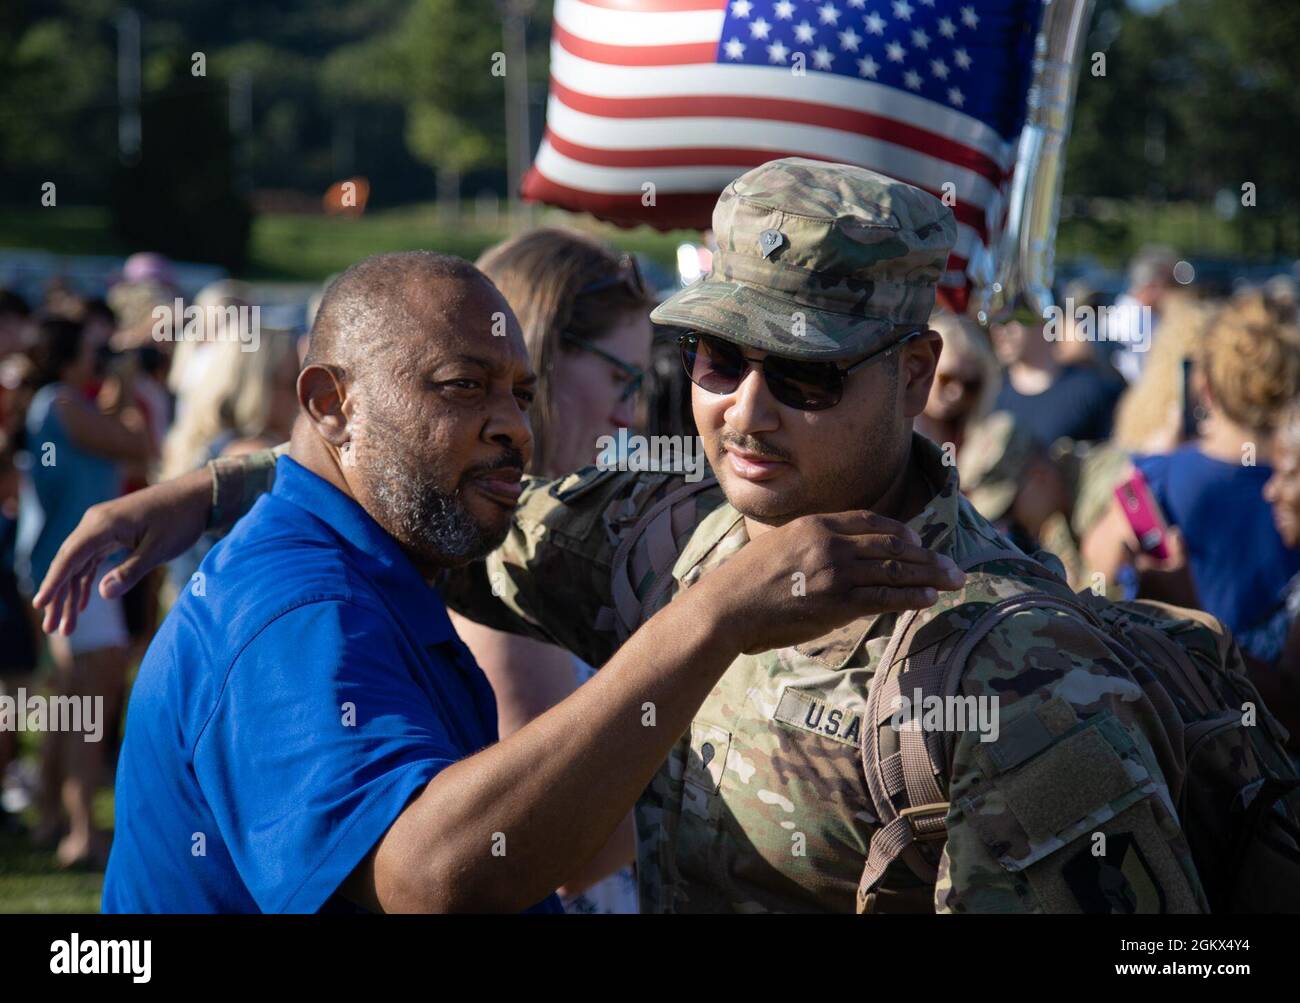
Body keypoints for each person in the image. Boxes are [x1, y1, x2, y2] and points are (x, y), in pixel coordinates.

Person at [38, 160, 1211, 913]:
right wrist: (211, 489)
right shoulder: (660, 536)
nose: (742, 411)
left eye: (802, 374)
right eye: (715, 360)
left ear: (915, 376)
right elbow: (401, 493)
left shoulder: (1022, 679)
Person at [58, 249, 960, 913]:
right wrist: (713, 617)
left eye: (521, 396)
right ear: (332, 402)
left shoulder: (403, 542)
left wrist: (213, 485)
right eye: (463, 386)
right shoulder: (300, 607)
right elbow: (429, 880)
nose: (511, 429)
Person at [467, 229, 654, 913]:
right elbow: (564, 851)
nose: (628, 412)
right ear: (541, 358)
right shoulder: (500, 565)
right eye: (618, 376)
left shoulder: (542, 534)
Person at [15, 317, 151, 867]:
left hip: (76, 567)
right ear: (73, 355)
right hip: (81, 572)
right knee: (88, 701)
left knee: (71, 698)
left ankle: (53, 817)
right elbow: (136, 442)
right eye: (97, 350)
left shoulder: (62, 404)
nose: (105, 358)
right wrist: (127, 388)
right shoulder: (63, 404)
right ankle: (80, 832)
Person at [1084, 291, 1300, 637]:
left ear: (1206, 389)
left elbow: (1098, 567)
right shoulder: (1291, 486)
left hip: (1179, 682)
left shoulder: (1154, 478)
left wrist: (1145, 464)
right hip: (1274, 686)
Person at [956, 411, 1082, 587]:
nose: (1010, 523)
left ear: (1039, 475)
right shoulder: (1053, 520)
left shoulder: (1107, 485)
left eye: (1010, 509)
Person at [991, 299, 1124, 448]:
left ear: (1041, 316)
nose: (999, 330)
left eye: (1008, 319)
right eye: (994, 320)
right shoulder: (990, 395)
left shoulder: (1089, 390)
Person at [915, 310, 1000, 456]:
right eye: (946, 378)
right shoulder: (896, 434)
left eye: (970, 385)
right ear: (923, 367)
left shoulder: (976, 441)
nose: (956, 394)